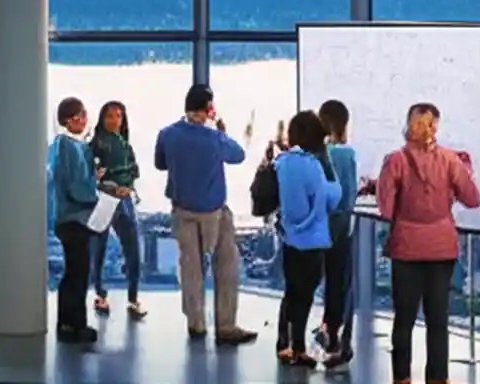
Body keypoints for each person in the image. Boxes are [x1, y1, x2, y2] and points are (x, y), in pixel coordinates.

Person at [377, 102, 480, 384]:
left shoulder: (394, 161)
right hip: (441, 248)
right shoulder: (451, 160)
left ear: (408, 125)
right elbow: (472, 199)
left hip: (406, 248)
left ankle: (401, 378)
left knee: (404, 319)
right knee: (438, 320)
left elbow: (385, 209)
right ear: (435, 126)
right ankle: (438, 378)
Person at [154, 83, 258, 345]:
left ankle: (196, 323)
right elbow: (239, 155)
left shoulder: (167, 134)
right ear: (209, 108)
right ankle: (225, 326)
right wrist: (222, 130)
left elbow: (160, 163)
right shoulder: (214, 138)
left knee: (190, 269)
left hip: (181, 209)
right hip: (214, 211)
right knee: (225, 266)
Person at [273, 111, 342, 368]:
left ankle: (285, 343)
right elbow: (332, 198)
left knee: (291, 292)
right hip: (313, 241)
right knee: (305, 295)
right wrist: (329, 170)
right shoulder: (314, 165)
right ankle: (299, 349)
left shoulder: (282, 163)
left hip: (290, 238)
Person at [50, 96, 101, 344]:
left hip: (68, 218)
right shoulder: (67, 146)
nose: (84, 120)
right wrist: (96, 194)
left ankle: (69, 322)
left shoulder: (65, 146)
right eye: (81, 116)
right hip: (74, 218)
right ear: (72, 119)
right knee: (78, 273)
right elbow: (77, 186)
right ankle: (75, 324)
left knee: (74, 272)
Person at [89, 100, 146, 319]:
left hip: (124, 200)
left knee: (133, 248)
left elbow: (133, 170)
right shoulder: (95, 144)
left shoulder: (125, 144)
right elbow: (91, 173)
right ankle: (100, 295)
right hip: (103, 199)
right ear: (102, 119)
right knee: (98, 249)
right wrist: (108, 185)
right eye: (110, 116)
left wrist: (127, 187)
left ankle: (133, 299)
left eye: (118, 116)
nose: (114, 120)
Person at [317, 99, 358, 368]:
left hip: (312, 226)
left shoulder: (311, 153)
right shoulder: (345, 154)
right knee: (339, 280)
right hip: (339, 225)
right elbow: (349, 194)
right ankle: (336, 336)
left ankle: (292, 340)